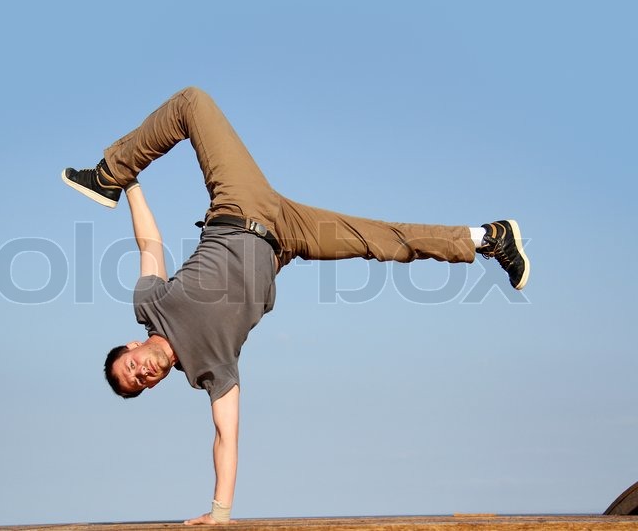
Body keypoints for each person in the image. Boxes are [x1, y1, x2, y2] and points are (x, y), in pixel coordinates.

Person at [61, 86, 529, 525]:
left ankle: (109, 173)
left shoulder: (150, 305)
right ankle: (488, 238)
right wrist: (221, 510)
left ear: (130, 346)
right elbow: (226, 437)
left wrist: (130, 185)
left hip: (239, 208)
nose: (142, 373)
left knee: (192, 103)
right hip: (287, 237)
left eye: (132, 366)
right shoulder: (211, 371)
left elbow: (149, 243)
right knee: (383, 240)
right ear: (156, 383)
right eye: (140, 383)